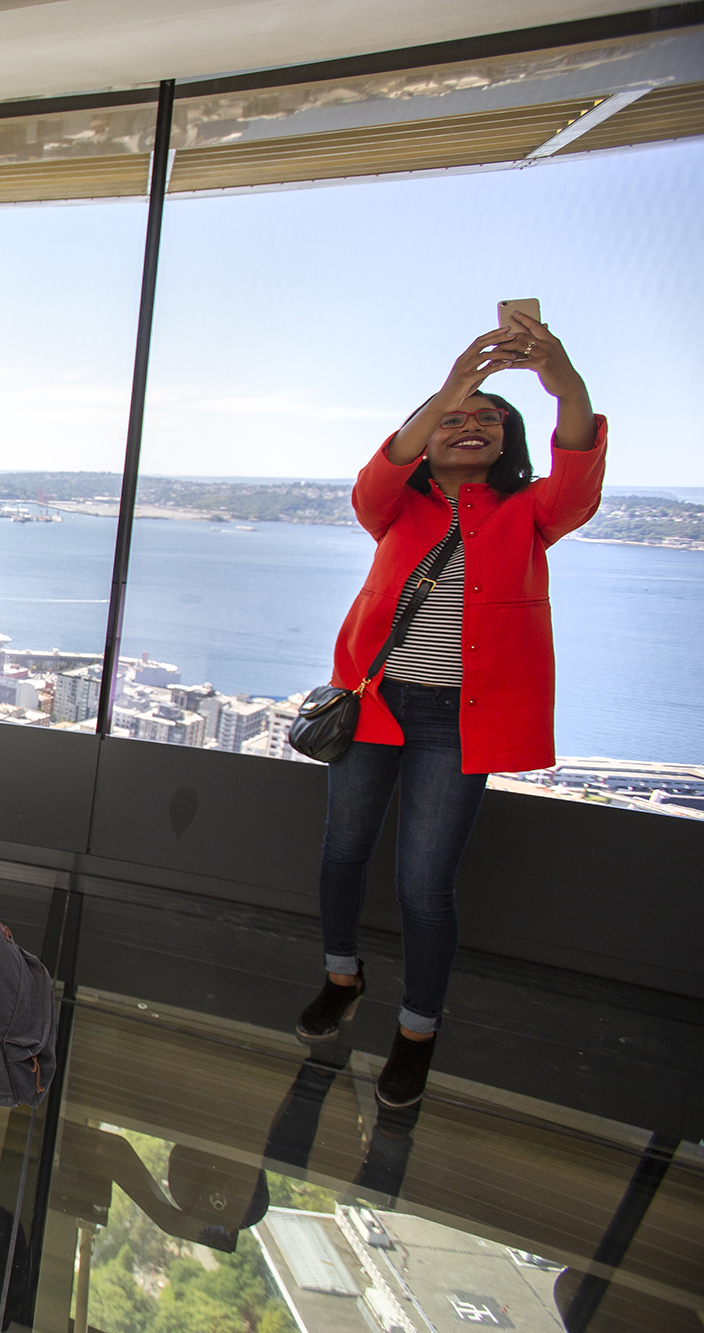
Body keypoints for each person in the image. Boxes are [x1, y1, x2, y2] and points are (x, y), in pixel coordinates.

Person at [297, 312, 604, 1109]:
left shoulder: (532, 513)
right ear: (426, 439)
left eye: (488, 419)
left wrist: (562, 380)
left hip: (458, 724)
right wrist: (450, 389)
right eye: (451, 421)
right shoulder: (395, 509)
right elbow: (376, 474)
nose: (469, 425)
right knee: (342, 851)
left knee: (425, 886)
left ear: (511, 444)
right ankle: (342, 975)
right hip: (375, 708)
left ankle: (416, 1030)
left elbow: (577, 471)